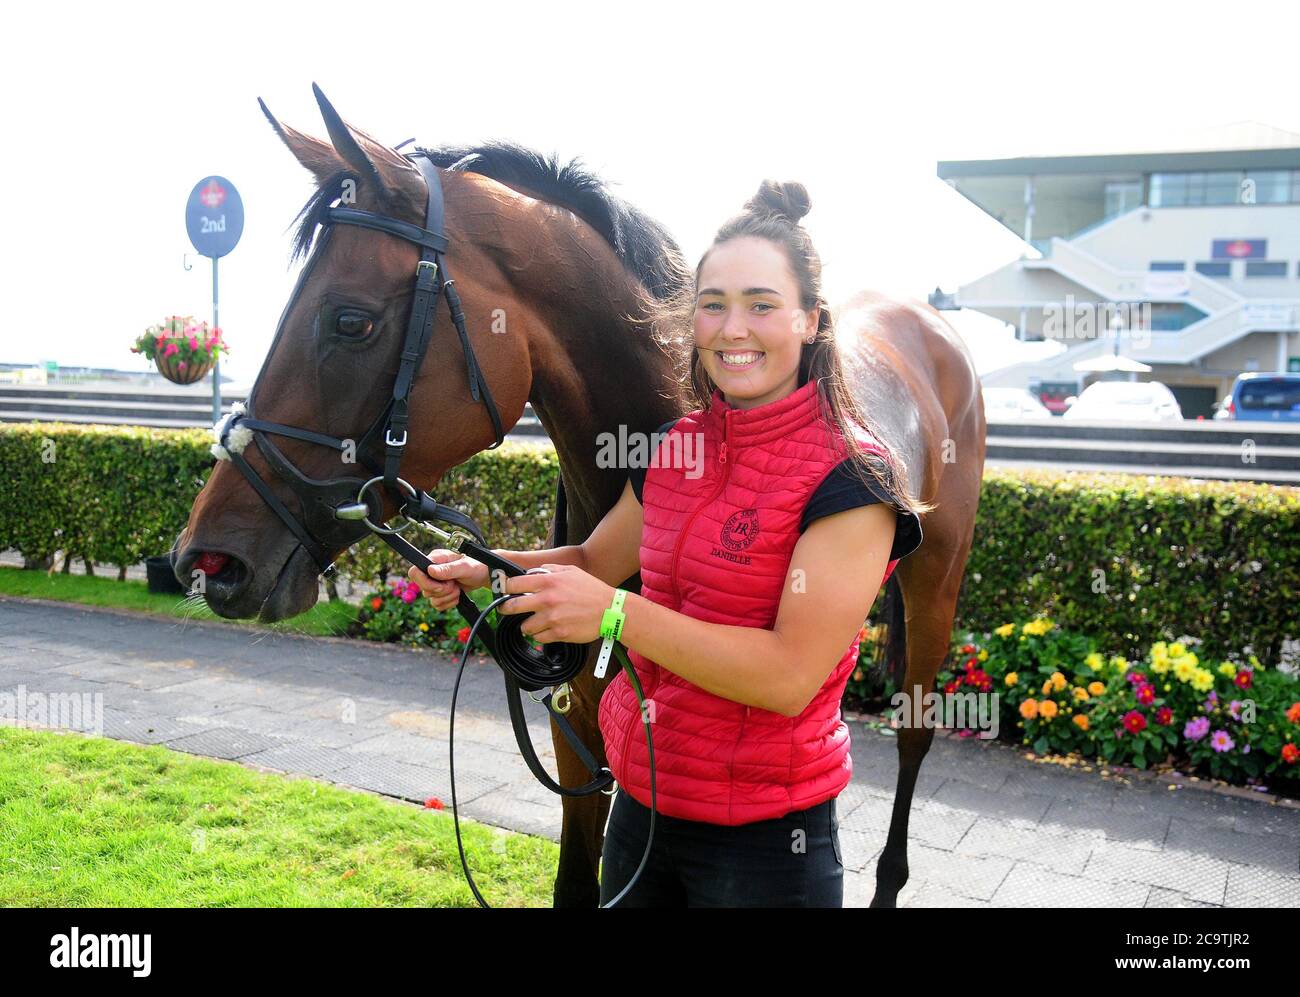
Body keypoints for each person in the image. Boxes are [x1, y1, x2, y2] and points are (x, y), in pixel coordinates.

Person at [408, 180, 929, 907]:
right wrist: (487, 572)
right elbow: (592, 561)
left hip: (768, 845)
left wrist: (614, 614)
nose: (731, 327)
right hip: (642, 812)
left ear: (810, 320)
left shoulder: (854, 480)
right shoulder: (673, 449)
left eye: (761, 304)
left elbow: (787, 675)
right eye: (712, 304)